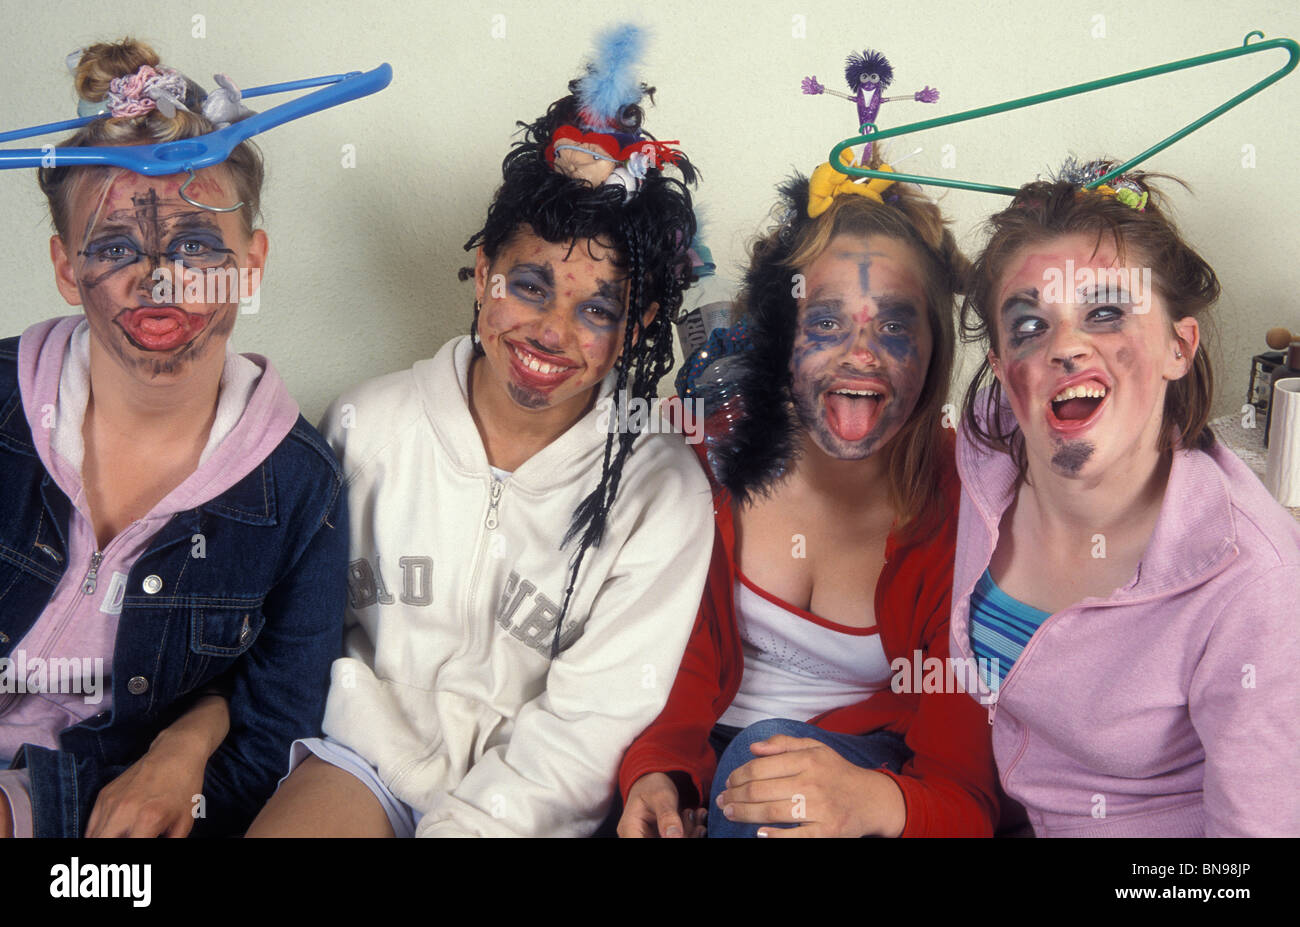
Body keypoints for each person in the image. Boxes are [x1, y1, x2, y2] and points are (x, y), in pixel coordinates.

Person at [247, 24, 713, 838]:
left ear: (637, 325)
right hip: (362, 759)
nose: (552, 331)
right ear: (485, 270)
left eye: (597, 309)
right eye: (529, 286)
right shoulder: (366, 425)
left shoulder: (661, 491)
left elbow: (587, 729)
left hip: (534, 802)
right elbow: (294, 641)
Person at [0, 40, 348, 838]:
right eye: (116, 246)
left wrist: (38, 804)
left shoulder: (300, 489)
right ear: (66, 266)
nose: (159, 280)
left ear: (250, 263)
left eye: (194, 244)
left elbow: (270, 741)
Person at [618, 155, 998, 837]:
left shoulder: (968, 501)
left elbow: (965, 799)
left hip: (855, 770)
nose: (861, 354)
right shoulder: (699, 450)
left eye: (894, 326)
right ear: (776, 335)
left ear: (935, 348)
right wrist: (658, 772)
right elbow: (670, 657)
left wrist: (874, 802)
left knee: (760, 765)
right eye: (825, 323)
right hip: (704, 761)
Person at [950, 161, 1300, 836]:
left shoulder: (1258, 582)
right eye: (1030, 325)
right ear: (1000, 369)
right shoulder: (987, 445)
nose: (1066, 347)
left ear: (1178, 346)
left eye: (1106, 312)